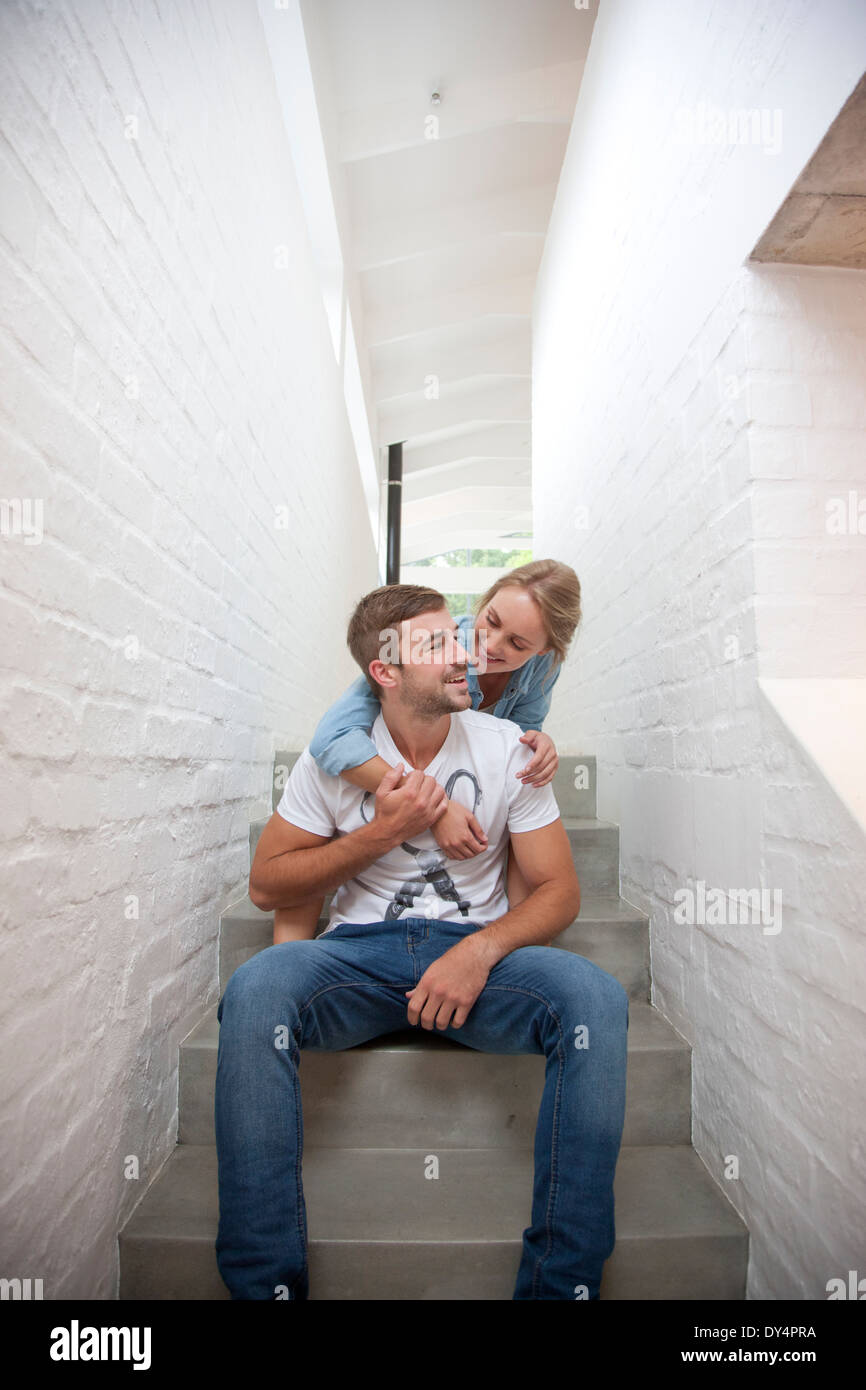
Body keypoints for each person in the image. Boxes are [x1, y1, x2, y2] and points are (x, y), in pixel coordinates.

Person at [214, 582, 629, 1300]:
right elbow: (268, 885)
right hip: (357, 956)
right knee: (255, 990)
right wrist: (382, 829)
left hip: (478, 952)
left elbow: (559, 890)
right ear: (385, 672)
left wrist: (480, 951)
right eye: (439, 644)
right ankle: (265, 1288)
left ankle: (561, 1289)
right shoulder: (335, 759)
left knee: (595, 998)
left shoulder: (509, 750)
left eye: (461, 635)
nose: (468, 652)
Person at [271, 558, 582, 945]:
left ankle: (517, 949)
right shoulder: (429, 654)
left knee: (524, 810)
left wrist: (539, 744)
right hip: (415, 787)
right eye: (491, 621)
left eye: (518, 643)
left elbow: (520, 735)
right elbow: (330, 739)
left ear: (545, 650)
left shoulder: (542, 669)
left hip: (479, 785)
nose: (484, 648)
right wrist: (436, 807)